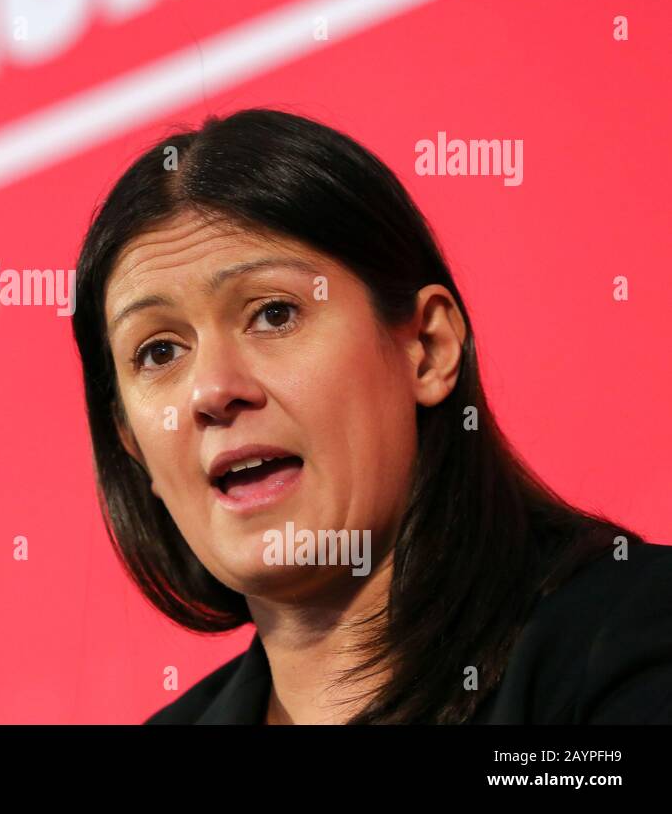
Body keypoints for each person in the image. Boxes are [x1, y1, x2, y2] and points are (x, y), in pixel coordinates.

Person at [69, 108, 672, 724]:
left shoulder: (630, 641)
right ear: (133, 446)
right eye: (160, 351)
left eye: (274, 313)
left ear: (428, 349)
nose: (214, 391)